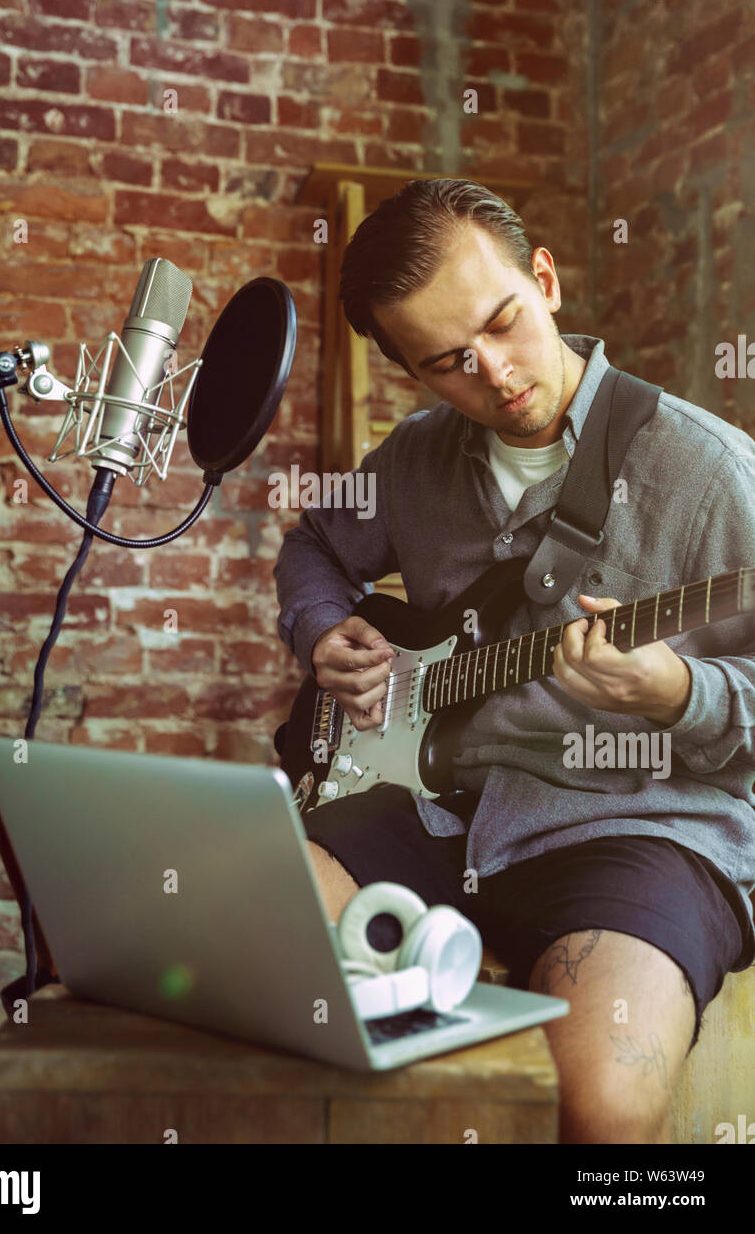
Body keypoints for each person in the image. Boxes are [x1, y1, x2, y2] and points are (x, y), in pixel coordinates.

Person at [273, 178, 755, 1144]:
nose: (492, 373)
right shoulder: (415, 459)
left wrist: (679, 694)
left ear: (546, 280)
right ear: (413, 371)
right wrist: (324, 630)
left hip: (643, 822)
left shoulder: (712, 474)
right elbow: (314, 547)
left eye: (503, 323)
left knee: (601, 1108)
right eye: (447, 361)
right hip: (442, 807)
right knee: (269, 981)